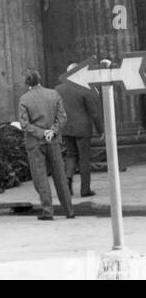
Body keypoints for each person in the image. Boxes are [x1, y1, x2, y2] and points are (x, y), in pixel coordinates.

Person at [18, 69, 74, 221]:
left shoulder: (24, 98)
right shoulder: (53, 94)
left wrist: (42, 133)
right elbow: (62, 117)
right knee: (60, 176)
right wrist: (52, 131)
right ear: (40, 79)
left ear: (26, 83)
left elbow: (24, 124)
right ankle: (69, 210)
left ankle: (48, 211)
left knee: (40, 177)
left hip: (35, 142)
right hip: (53, 140)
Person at [56, 65, 102, 199]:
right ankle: (85, 190)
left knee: (71, 155)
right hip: (82, 129)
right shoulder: (84, 88)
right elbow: (94, 113)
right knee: (84, 159)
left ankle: (67, 180)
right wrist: (101, 130)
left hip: (65, 127)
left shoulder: (58, 89)